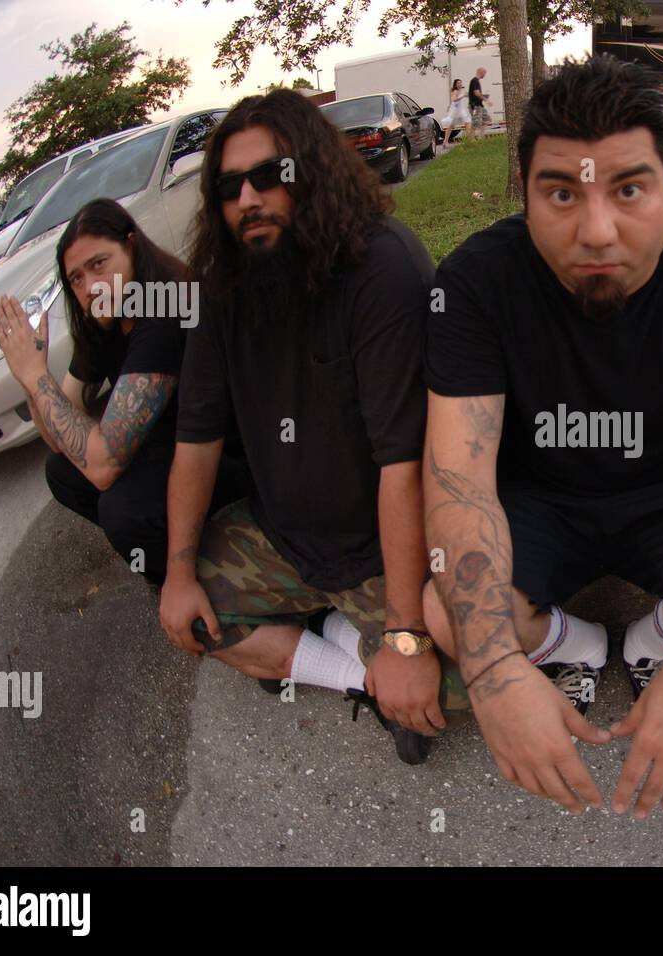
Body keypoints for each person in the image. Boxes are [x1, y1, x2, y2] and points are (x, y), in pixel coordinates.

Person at [421, 55, 663, 818]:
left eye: (628, 188)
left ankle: (656, 638)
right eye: (562, 192)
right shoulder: (473, 284)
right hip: (542, 499)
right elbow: (458, 475)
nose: (596, 231)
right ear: (521, 195)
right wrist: (492, 671)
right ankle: (577, 642)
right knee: (444, 613)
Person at [158, 90, 446, 755]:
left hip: (384, 548)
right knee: (190, 615)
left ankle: (358, 636)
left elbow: (404, 464)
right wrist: (175, 574)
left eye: (270, 176)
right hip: (284, 537)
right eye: (229, 187)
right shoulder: (221, 286)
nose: (248, 199)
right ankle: (354, 672)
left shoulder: (382, 267)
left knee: (457, 689)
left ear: (312, 172)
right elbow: (196, 441)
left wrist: (406, 637)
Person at [0, 198, 247, 586]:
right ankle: (165, 551)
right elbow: (61, 442)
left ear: (131, 246)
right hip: (172, 447)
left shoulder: (165, 307)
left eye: (99, 264)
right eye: (76, 278)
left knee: (121, 508)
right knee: (61, 471)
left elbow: (103, 464)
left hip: (229, 459)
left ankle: (199, 580)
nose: (90, 287)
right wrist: (33, 380)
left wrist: (35, 377)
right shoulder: (106, 318)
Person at [441, 78, 470, 148]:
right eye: (458, 83)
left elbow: (467, 95)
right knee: (451, 126)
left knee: (467, 122)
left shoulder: (461, 90)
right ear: (455, 84)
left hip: (461, 110)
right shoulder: (455, 91)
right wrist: (462, 95)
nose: (460, 84)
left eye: (461, 83)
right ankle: (445, 141)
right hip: (455, 110)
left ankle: (470, 139)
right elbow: (454, 99)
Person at [467, 67, 490, 141]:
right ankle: (472, 140)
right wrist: (486, 99)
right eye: (484, 73)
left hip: (480, 105)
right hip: (475, 106)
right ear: (481, 72)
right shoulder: (475, 81)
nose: (485, 75)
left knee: (486, 120)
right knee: (475, 123)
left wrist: (482, 96)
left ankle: (481, 138)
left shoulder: (476, 81)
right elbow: (476, 93)